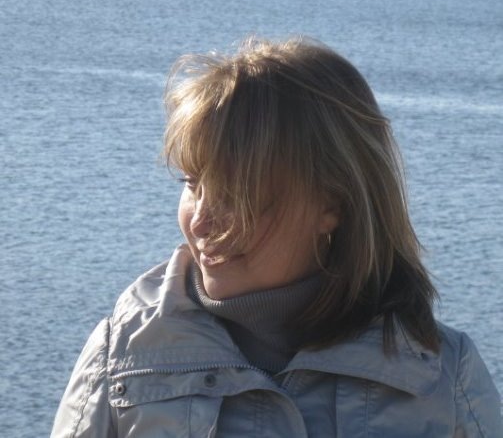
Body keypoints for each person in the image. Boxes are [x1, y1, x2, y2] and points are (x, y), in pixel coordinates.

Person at [51, 37, 501, 437]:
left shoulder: (443, 376)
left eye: (236, 193)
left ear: (333, 203)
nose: (201, 222)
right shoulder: (121, 357)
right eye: (192, 183)